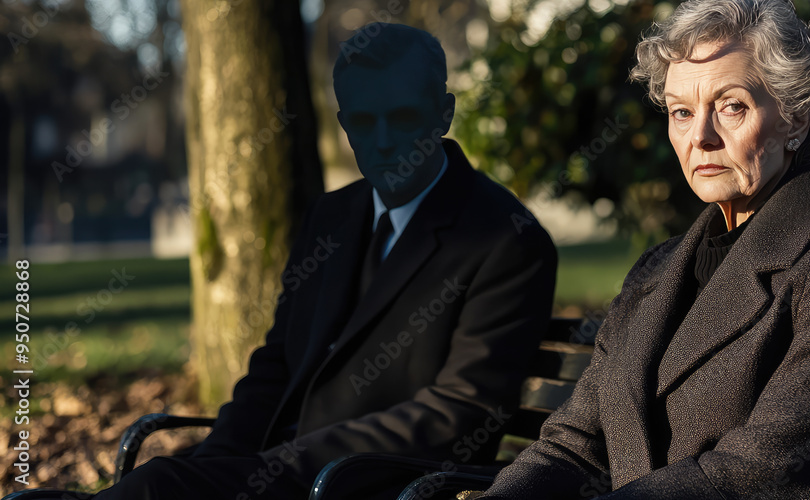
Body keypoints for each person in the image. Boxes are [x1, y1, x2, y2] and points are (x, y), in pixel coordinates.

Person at [90, 23, 558, 500]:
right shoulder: (334, 215)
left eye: (401, 118)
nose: (381, 142)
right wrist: (218, 458)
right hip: (273, 471)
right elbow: (275, 365)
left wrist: (275, 466)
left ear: (443, 114)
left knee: (153, 486)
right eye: (362, 121)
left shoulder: (506, 239)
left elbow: (458, 413)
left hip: (368, 482)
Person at [479, 0, 810, 498]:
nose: (701, 137)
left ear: (796, 120)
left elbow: (759, 474)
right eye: (681, 112)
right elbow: (575, 445)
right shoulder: (658, 268)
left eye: (732, 105)